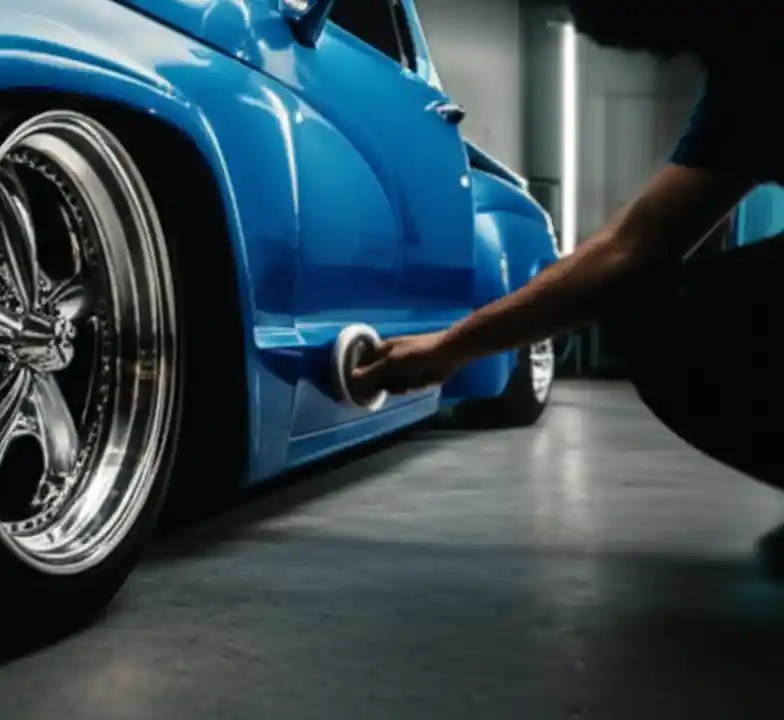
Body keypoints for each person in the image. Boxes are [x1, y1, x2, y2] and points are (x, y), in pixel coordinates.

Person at [332, 0, 784, 570]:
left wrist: (452, 346)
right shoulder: (749, 79)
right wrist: (451, 348)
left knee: (678, 323)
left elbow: (630, 259)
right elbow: (634, 249)